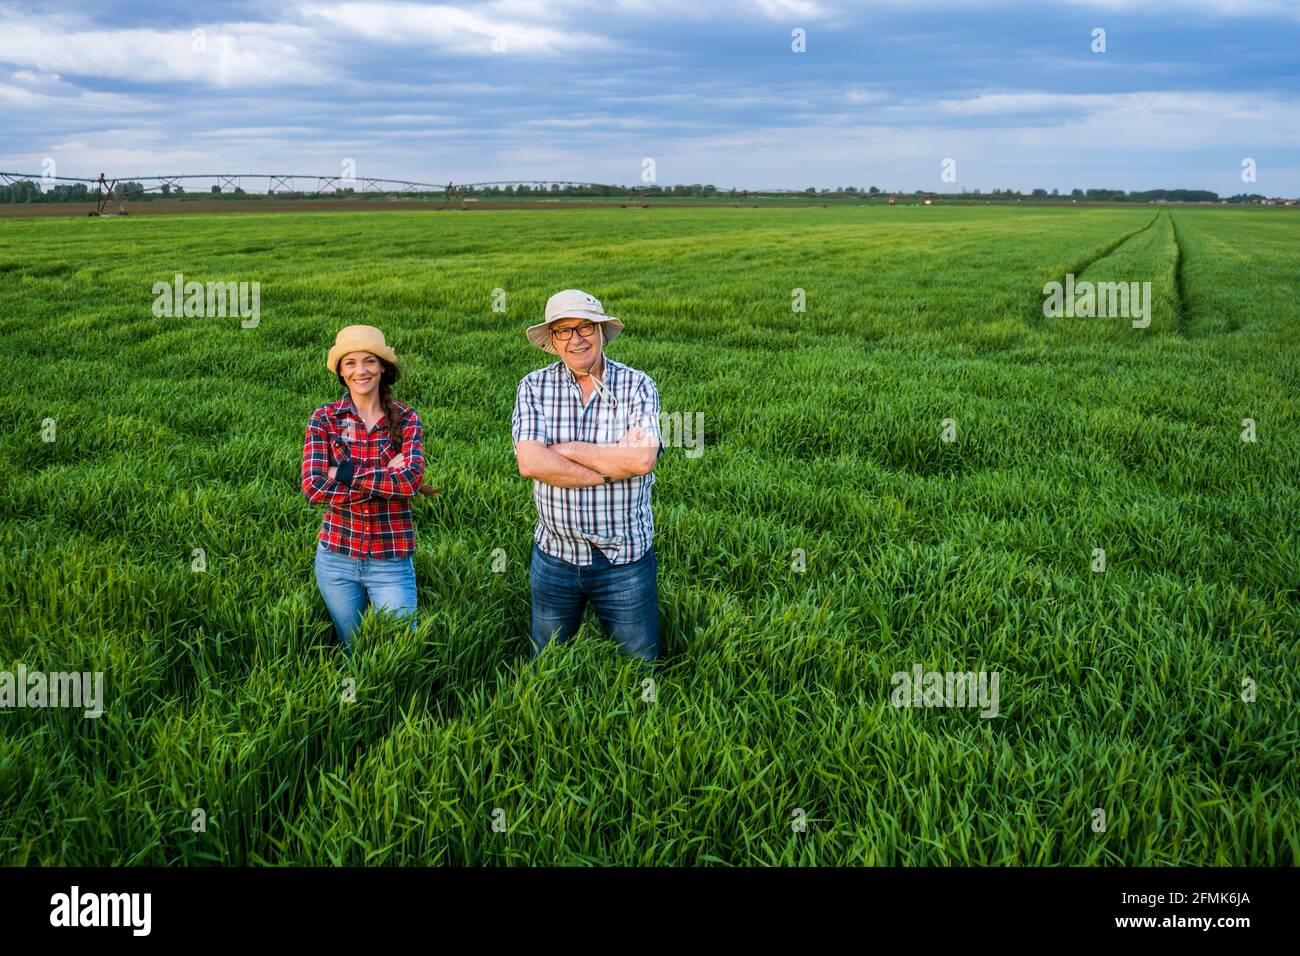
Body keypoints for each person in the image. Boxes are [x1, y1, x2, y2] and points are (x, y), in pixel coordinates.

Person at [511, 289, 663, 662]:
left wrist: (567, 450)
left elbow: (642, 460)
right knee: (546, 663)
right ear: (553, 340)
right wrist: (611, 469)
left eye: (585, 327)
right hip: (554, 556)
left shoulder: (637, 386)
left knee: (639, 664)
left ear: (600, 331)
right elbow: (531, 463)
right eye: (564, 331)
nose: (576, 339)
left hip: (625, 558)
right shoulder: (533, 387)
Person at [301, 324, 434, 652]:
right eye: (351, 363)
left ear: (383, 368)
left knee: (402, 648)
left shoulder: (406, 419)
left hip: (391, 559)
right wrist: (384, 478)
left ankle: (400, 700)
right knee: (353, 646)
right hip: (336, 557)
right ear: (342, 372)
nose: (361, 370)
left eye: (370, 361)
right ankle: (357, 700)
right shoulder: (325, 419)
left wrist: (342, 472)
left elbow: (409, 481)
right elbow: (314, 487)